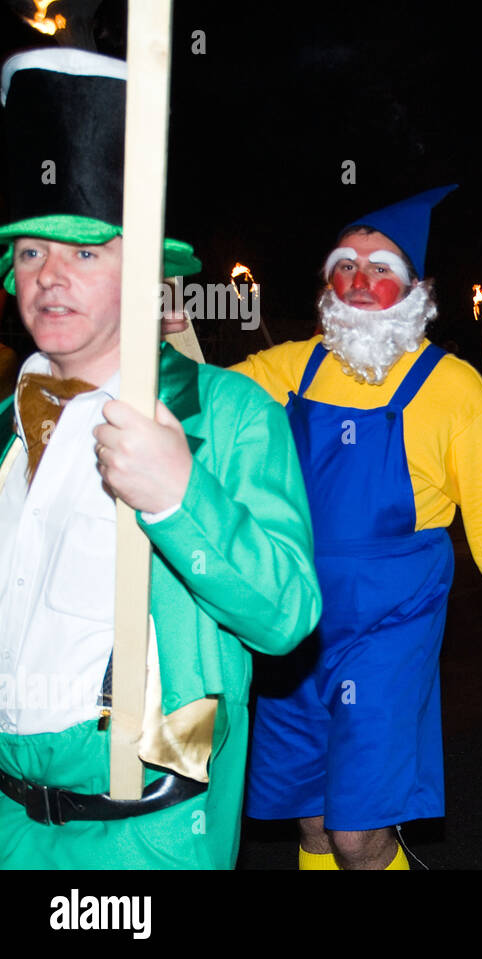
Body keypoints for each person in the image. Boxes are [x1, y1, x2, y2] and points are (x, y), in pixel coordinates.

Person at [0, 49, 321, 868]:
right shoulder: (4, 425)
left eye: (85, 253)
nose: (51, 277)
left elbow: (288, 614)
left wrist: (182, 496)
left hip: (148, 827)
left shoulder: (228, 411)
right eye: (32, 253)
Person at [232, 188, 482, 870]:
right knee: (311, 821)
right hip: (294, 620)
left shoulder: (453, 386)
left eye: (382, 269)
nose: (362, 280)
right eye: (347, 265)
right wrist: (160, 337)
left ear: (415, 290)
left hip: (391, 622)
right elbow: (199, 407)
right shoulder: (290, 367)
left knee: (357, 833)